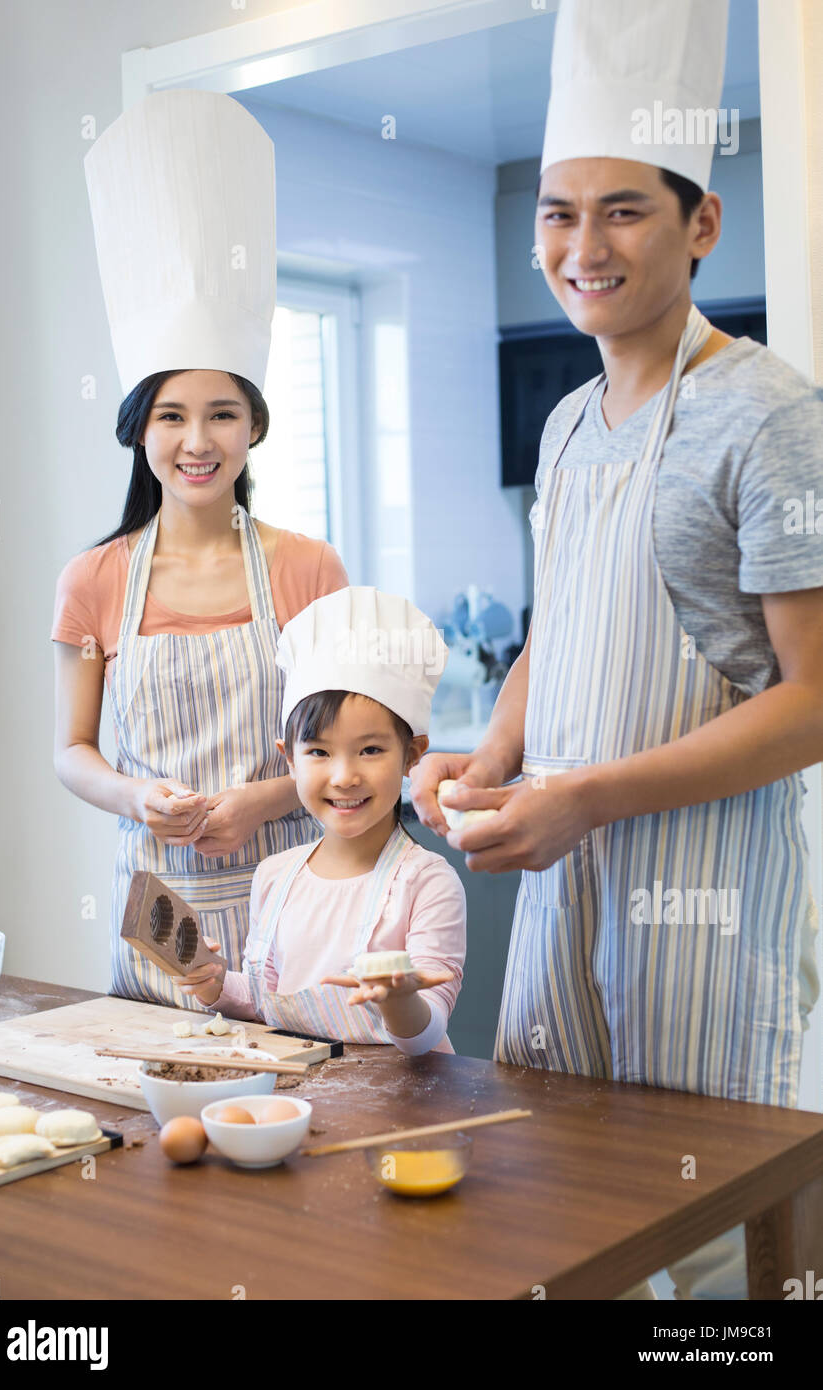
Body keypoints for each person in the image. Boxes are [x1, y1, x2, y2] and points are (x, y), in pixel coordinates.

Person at [411, 0, 823, 1299]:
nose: (578, 246)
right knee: (563, 1220)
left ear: (700, 222)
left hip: (704, 903)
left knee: (701, 1249)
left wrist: (583, 795)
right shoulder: (568, 421)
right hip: (561, 890)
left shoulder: (769, 416)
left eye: (622, 210)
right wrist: (495, 754)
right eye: (553, 210)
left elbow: (813, 703)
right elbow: (559, 628)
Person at [52, 90, 347, 1006]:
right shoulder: (94, 578)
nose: (197, 440)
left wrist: (257, 803)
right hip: (157, 913)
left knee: (303, 1111)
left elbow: (351, 751)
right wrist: (141, 799)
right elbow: (71, 749)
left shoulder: (309, 568)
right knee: (156, 1127)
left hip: (293, 897)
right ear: (141, 430)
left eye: (222, 413)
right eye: (172, 415)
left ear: (252, 428)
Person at [177, 587, 466, 1054]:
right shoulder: (274, 876)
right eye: (319, 752)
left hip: (406, 1109)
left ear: (412, 754)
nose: (344, 775)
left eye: (370, 750)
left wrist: (399, 1000)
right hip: (301, 1101)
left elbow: (427, 1033)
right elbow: (261, 1001)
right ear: (288, 760)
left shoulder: (428, 883)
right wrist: (214, 984)